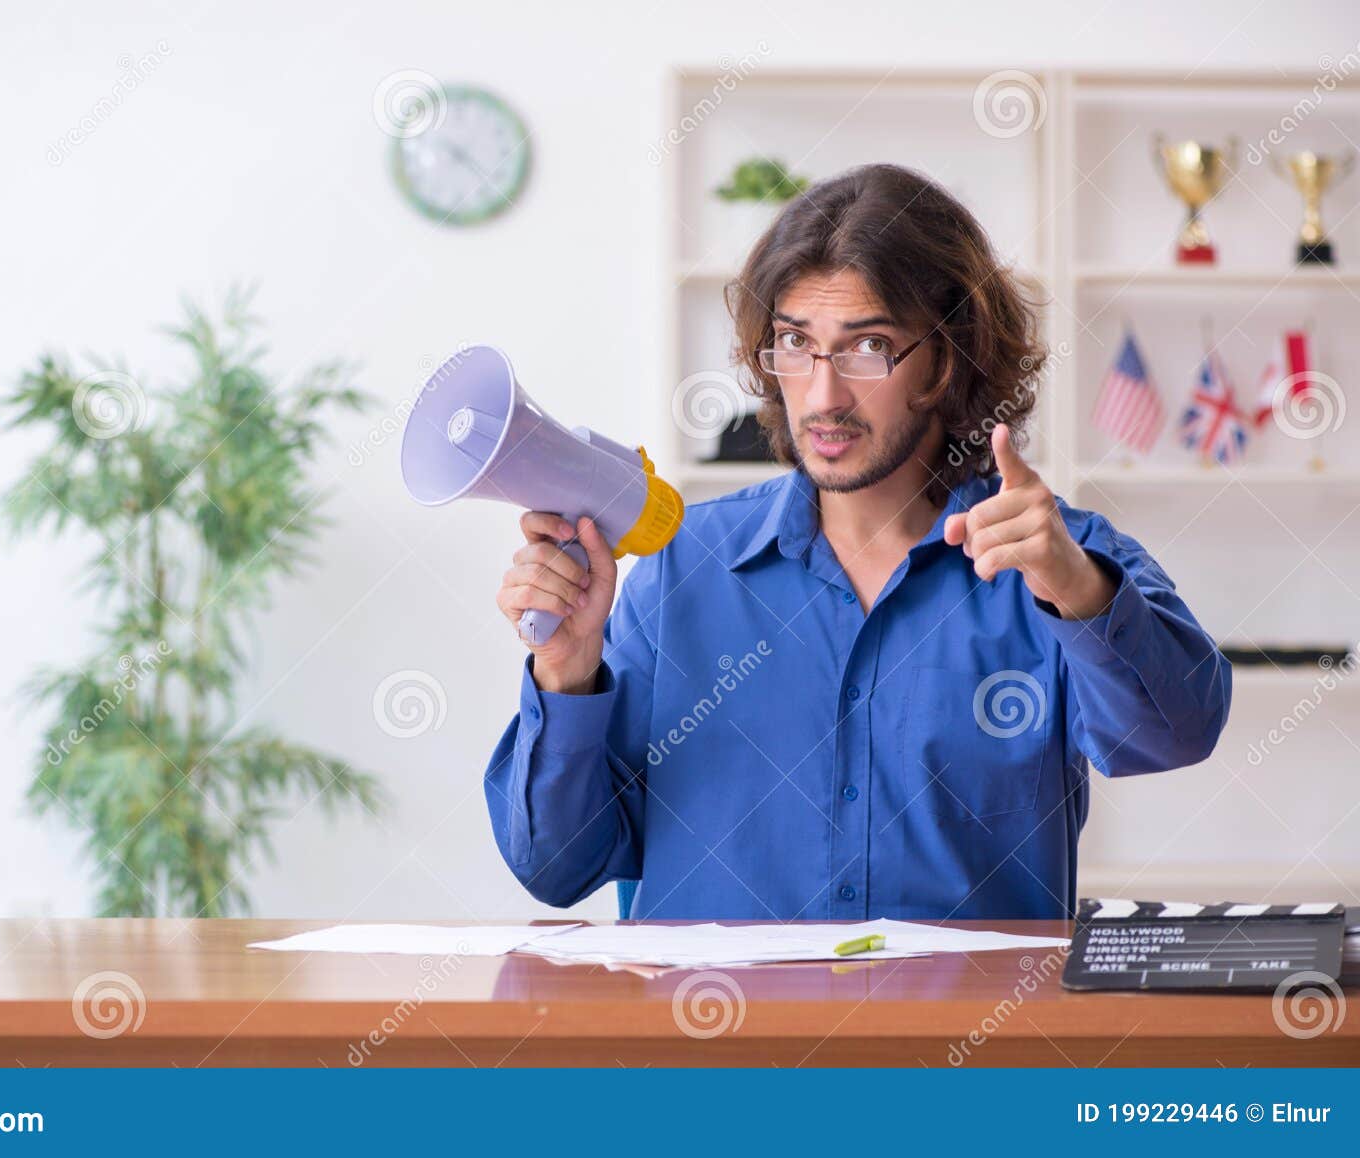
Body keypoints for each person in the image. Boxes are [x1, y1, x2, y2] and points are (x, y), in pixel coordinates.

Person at [484, 163, 1231, 920]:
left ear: (944, 358)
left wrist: (1078, 592)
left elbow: (1176, 736)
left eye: (868, 347)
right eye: (795, 344)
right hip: (715, 1031)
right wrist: (567, 677)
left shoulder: (1061, 559)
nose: (823, 394)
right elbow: (556, 867)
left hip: (973, 1037)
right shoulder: (679, 569)